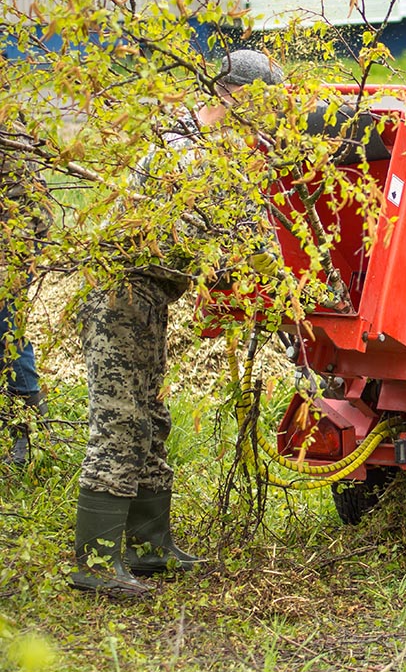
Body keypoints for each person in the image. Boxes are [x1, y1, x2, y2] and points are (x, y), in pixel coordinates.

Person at [70, 50, 284, 597]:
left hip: (148, 297)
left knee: (150, 417)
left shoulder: (195, 138)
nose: (267, 118)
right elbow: (247, 244)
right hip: (121, 294)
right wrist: (292, 295)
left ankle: (148, 546)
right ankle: (95, 566)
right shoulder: (193, 154)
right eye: (262, 105)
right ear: (235, 96)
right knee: (120, 423)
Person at [0, 115, 51, 467]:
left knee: (8, 335)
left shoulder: (8, 127)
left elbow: (35, 207)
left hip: (11, 247)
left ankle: (25, 436)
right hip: (20, 243)